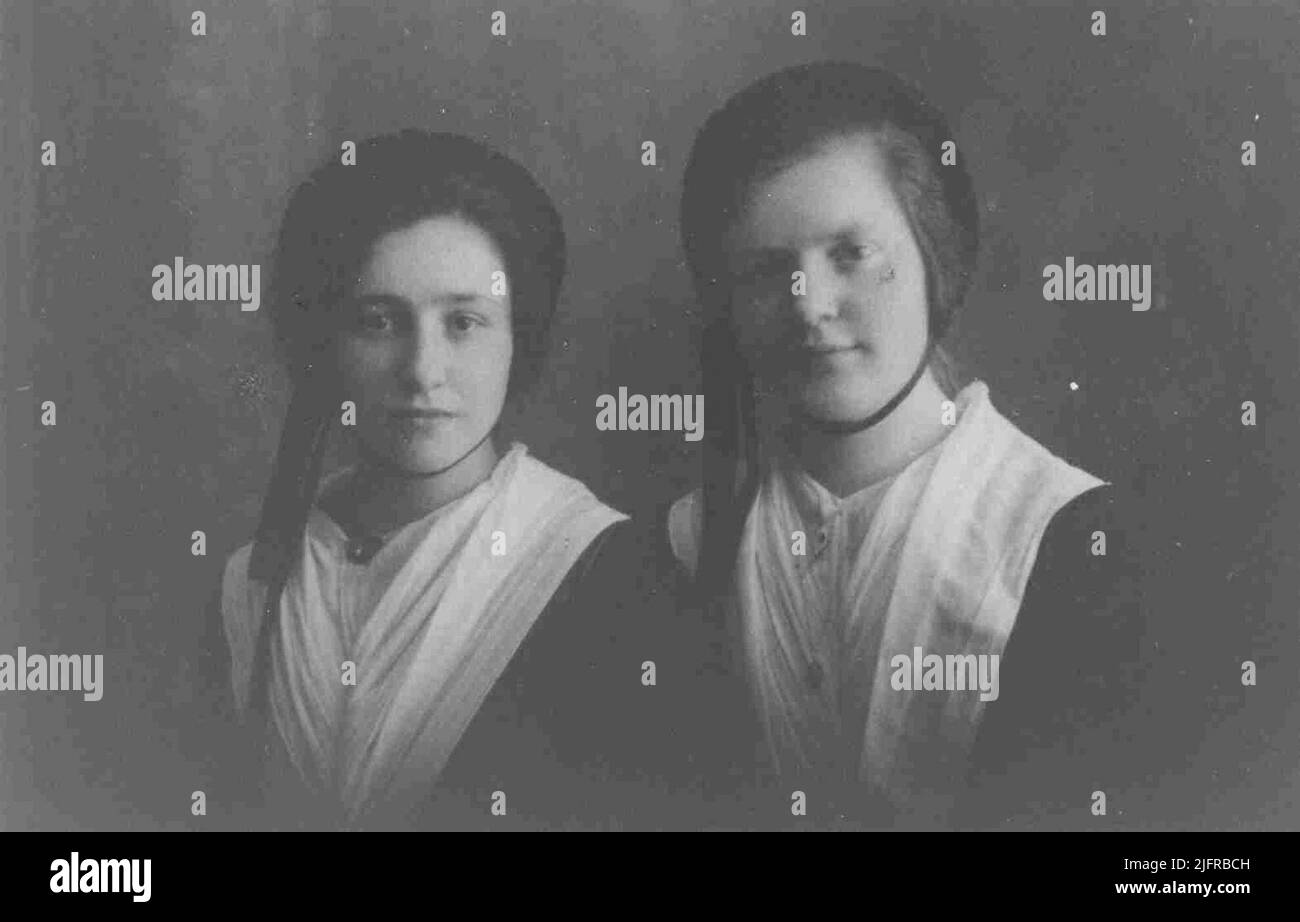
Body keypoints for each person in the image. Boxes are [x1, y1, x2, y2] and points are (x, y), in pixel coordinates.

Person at [669, 62, 1150, 829]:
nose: (812, 307)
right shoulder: (687, 547)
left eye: (852, 253)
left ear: (935, 252)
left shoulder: (1067, 540)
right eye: (767, 270)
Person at [185, 129, 689, 830]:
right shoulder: (251, 586)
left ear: (520, 338)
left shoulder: (614, 574)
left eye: (464, 322)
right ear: (324, 346)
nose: (423, 369)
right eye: (380, 321)